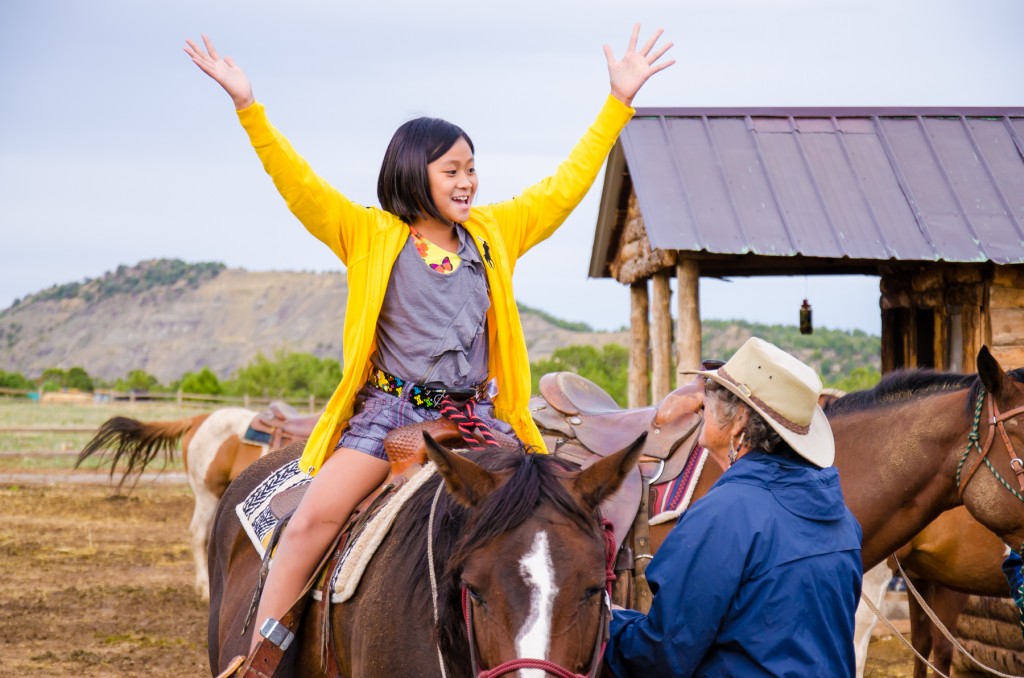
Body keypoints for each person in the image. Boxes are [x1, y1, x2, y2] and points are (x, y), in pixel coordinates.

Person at [184, 26, 674, 664]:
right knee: (308, 525)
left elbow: (565, 186)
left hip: (482, 421)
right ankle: (260, 661)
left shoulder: (495, 233)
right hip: (392, 419)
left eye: (472, 168)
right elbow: (298, 185)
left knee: (556, 530)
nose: (468, 181)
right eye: (453, 170)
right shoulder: (369, 234)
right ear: (417, 174)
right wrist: (250, 107)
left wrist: (617, 104)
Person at [604, 337, 864, 677]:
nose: (701, 407)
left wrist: (605, 620)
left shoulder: (723, 516)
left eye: (710, 399)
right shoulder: (843, 518)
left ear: (739, 420)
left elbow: (661, 653)